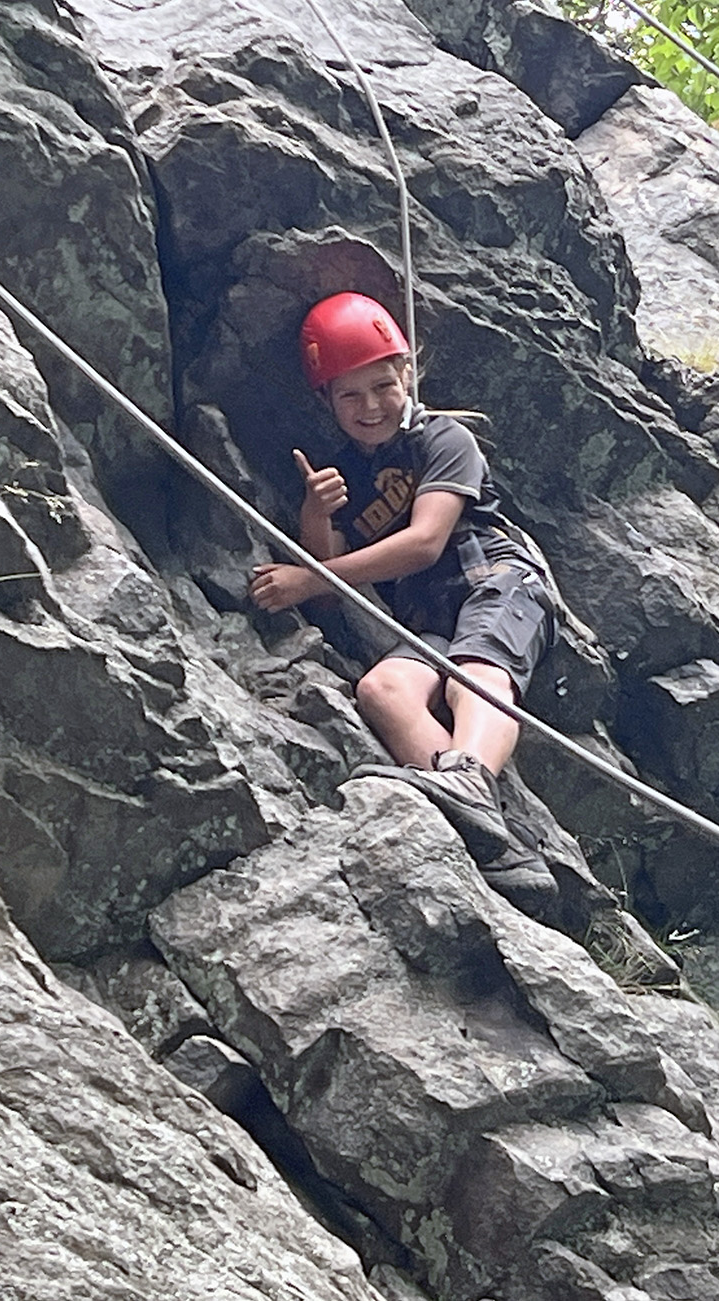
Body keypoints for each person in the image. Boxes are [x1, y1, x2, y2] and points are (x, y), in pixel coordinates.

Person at [249, 292, 558, 900]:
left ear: (408, 374)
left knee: (476, 670)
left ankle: (465, 781)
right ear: (327, 401)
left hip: (496, 580)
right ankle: (490, 835)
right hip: (426, 617)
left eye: (383, 385)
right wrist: (316, 512)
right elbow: (331, 597)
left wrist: (309, 575)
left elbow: (423, 542)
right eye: (350, 394)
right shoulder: (340, 474)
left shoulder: (444, 439)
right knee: (381, 690)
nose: (371, 406)